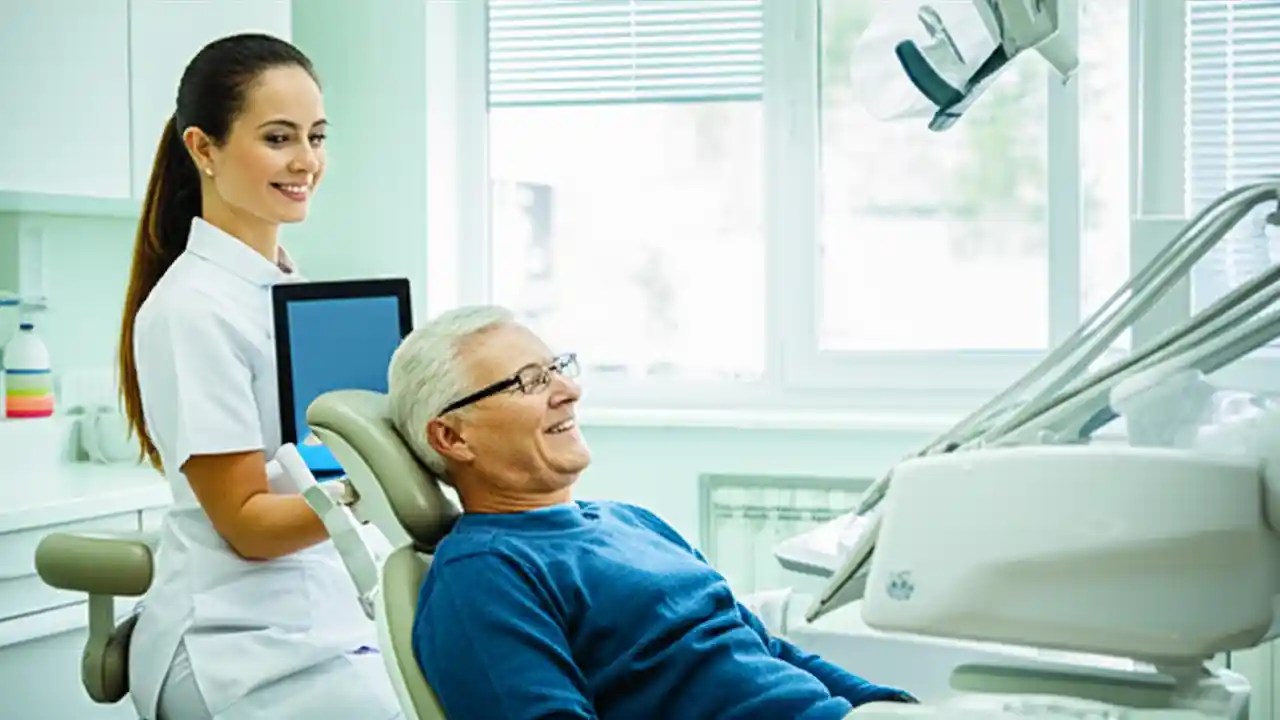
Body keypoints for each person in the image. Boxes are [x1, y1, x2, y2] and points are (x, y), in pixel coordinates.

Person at [387, 306, 918, 719]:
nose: (569, 392)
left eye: (558, 369)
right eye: (530, 382)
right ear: (452, 436)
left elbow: (763, 647)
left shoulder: (630, 521)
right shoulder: (483, 575)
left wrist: (887, 705)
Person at [118, 33, 402, 720]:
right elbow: (246, 522)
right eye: (278, 138)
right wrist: (381, 484)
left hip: (322, 623)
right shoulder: (190, 310)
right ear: (203, 149)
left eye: (317, 136)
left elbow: (313, 463)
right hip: (235, 646)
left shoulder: (290, 292)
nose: (306, 160)